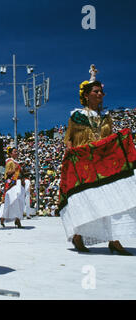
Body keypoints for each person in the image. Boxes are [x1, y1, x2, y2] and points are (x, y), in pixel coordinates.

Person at [60, 68, 136, 255]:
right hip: (83, 163)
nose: (100, 94)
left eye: (101, 91)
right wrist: (70, 155)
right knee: (85, 200)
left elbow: (109, 139)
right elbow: (69, 139)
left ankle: (114, 240)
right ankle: (78, 235)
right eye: (96, 91)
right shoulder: (76, 115)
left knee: (110, 199)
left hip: (103, 163)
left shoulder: (106, 116)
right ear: (86, 95)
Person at [0, 147, 25, 228]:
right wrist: (15, 170)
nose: (17, 153)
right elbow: (7, 172)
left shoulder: (17, 162)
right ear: (10, 153)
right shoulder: (9, 161)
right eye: (15, 152)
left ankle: (18, 220)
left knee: (19, 200)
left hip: (19, 183)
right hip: (12, 184)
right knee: (11, 200)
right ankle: (3, 218)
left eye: (17, 151)